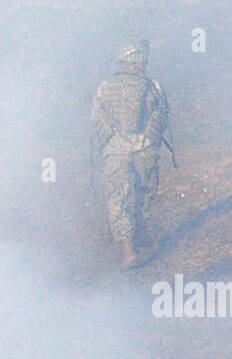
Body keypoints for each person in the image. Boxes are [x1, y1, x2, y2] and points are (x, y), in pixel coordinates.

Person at [91, 40, 171, 266]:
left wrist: (110, 142)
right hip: (145, 148)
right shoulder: (154, 86)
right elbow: (161, 117)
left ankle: (128, 251)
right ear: (140, 60)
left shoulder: (105, 87)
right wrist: (149, 140)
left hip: (116, 151)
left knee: (119, 197)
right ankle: (141, 234)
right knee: (144, 192)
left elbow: (97, 120)